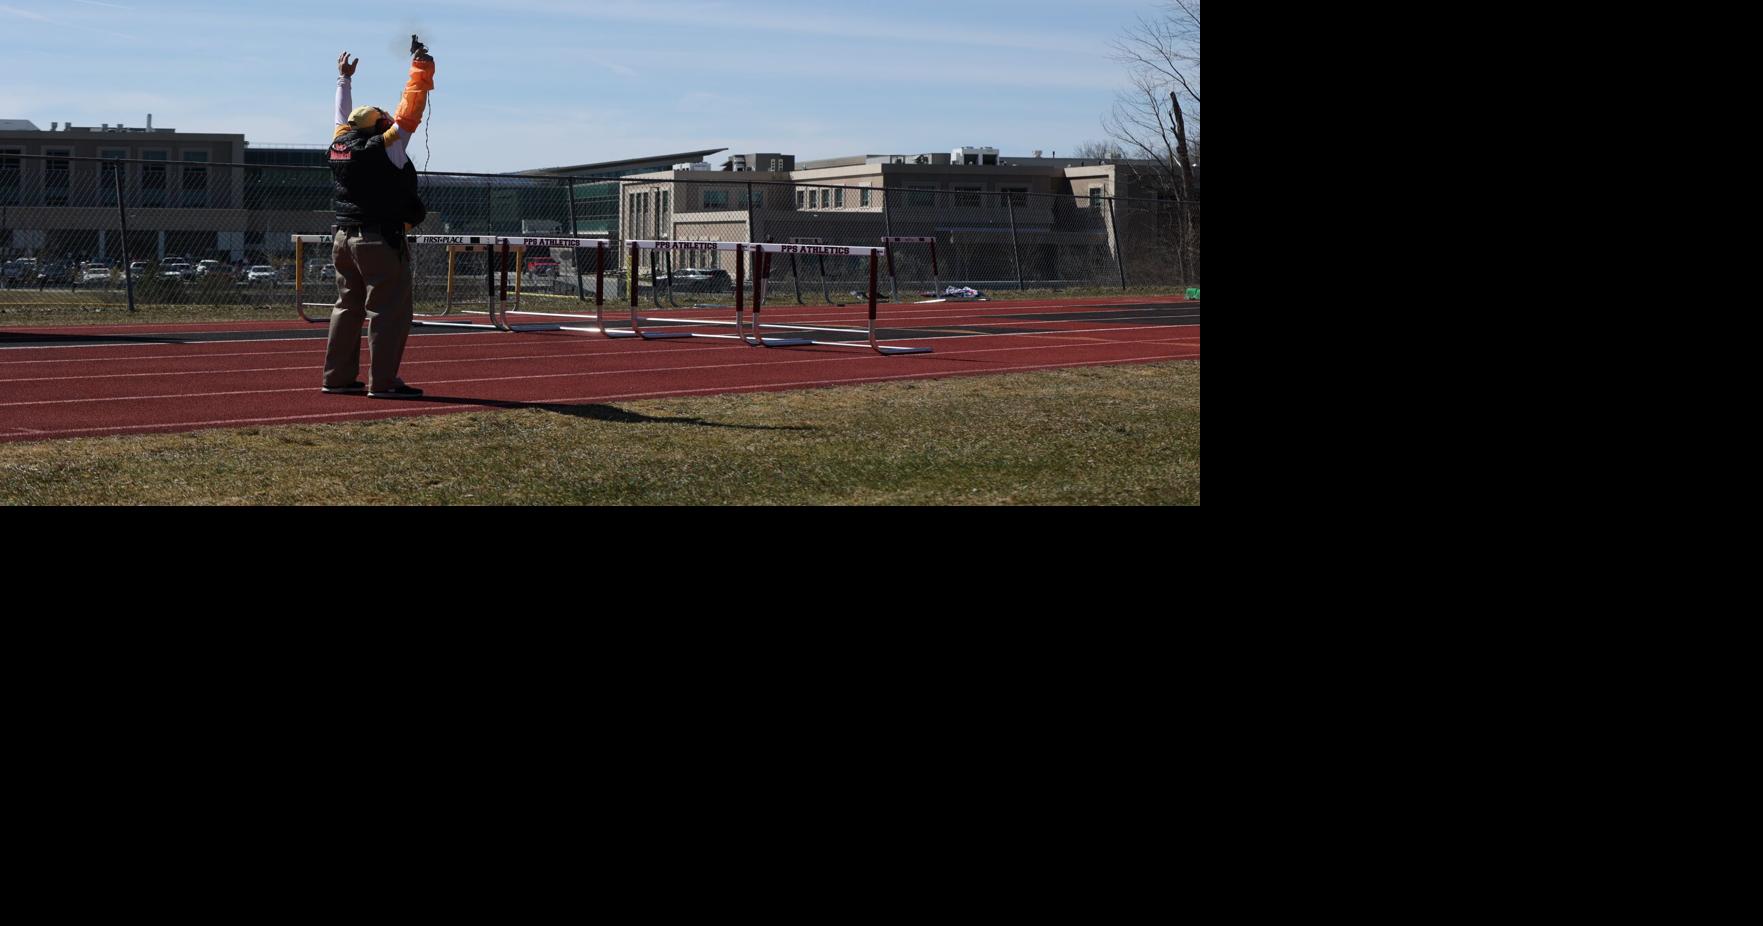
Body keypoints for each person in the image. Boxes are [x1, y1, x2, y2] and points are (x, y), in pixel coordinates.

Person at [320, 47, 434, 398]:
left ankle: (337, 378)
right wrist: (420, 68)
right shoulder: (388, 145)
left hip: (343, 238)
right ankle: (383, 383)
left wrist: (345, 78)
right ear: (381, 124)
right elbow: (411, 108)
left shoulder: (340, 142)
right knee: (389, 311)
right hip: (379, 238)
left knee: (347, 307)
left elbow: (342, 111)